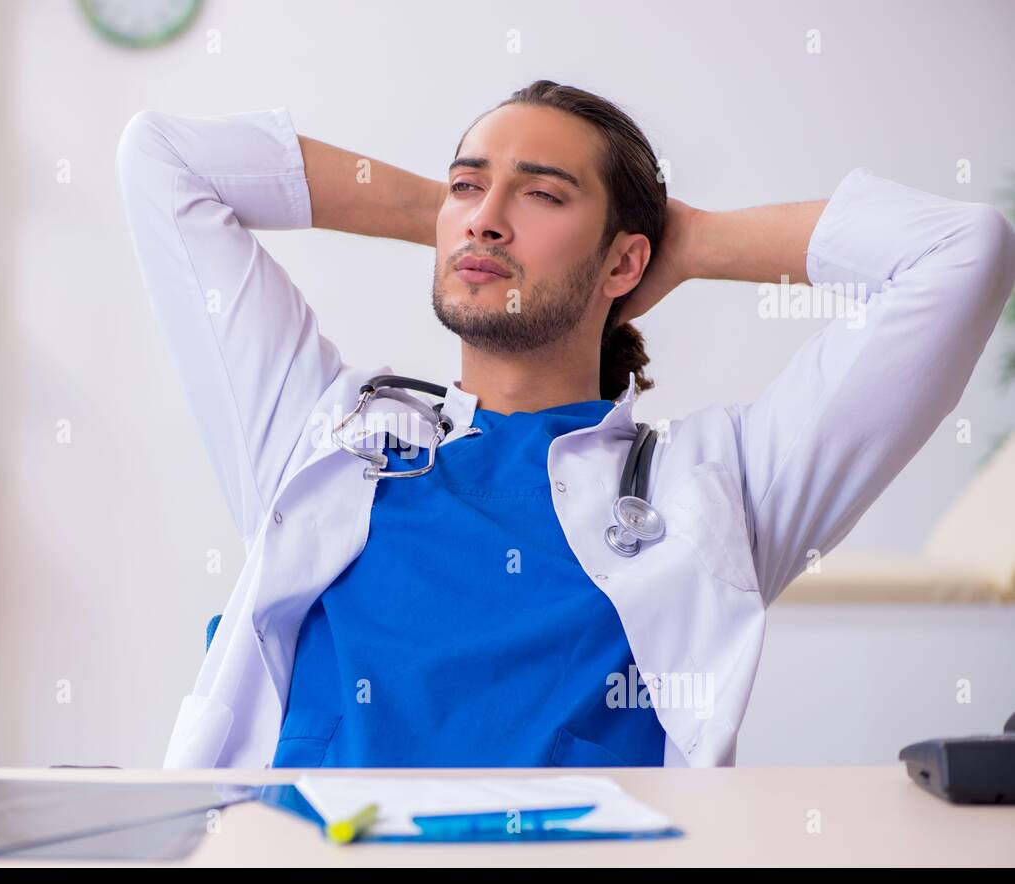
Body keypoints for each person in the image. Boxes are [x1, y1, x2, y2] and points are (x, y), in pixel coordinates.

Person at [115, 80, 1015, 769]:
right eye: (467, 185)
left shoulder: (717, 486)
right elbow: (161, 160)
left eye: (545, 196)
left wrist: (683, 240)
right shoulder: (316, 434)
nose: (487, 216)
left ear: (627, 257)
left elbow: (963, 252)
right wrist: (460, 217)